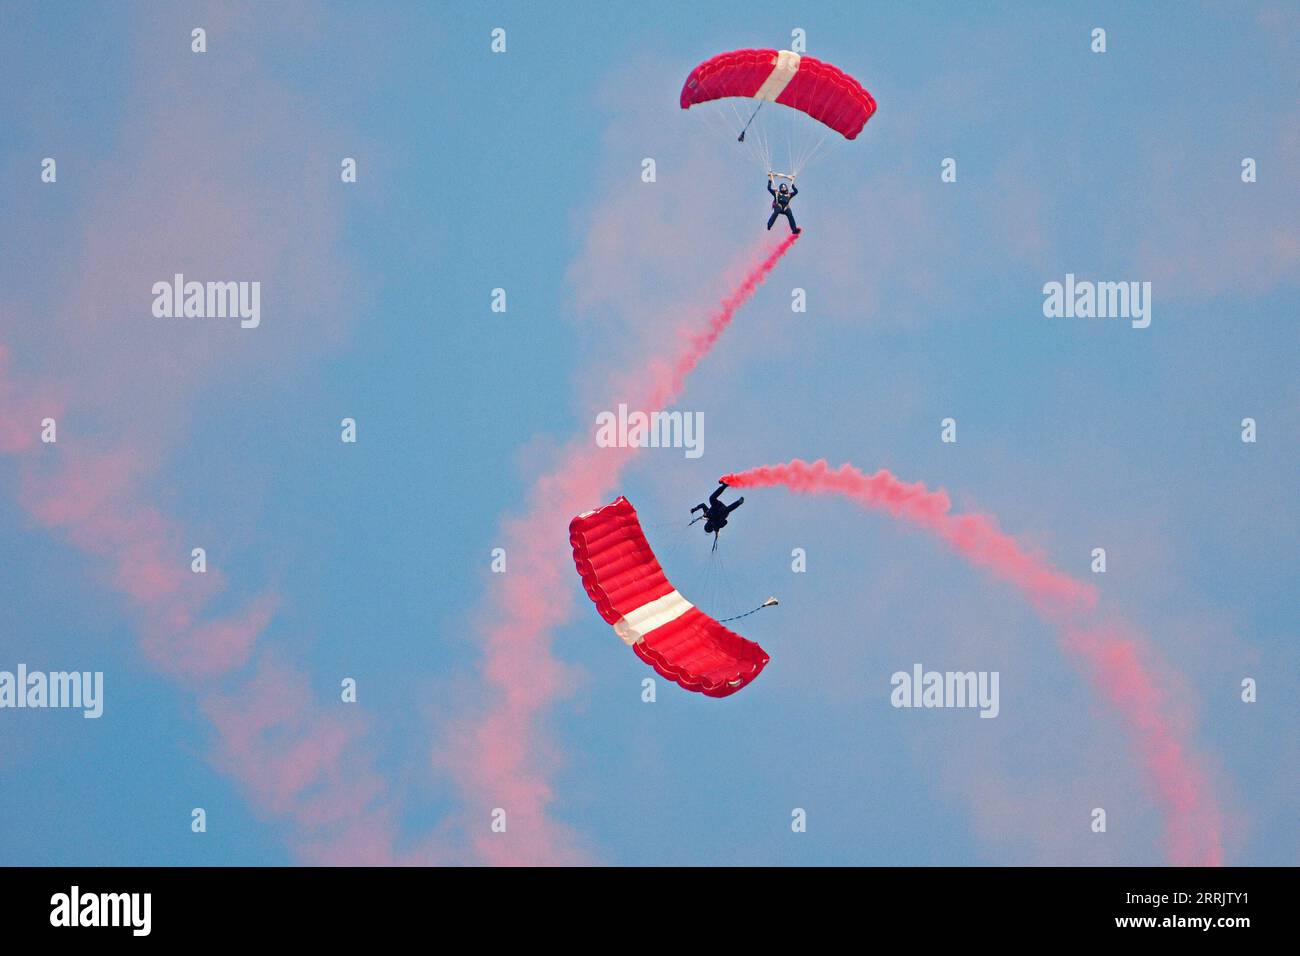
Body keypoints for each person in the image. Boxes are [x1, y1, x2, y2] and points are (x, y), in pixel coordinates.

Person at [690, 481, 745, 550]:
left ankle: (725, 486)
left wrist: (695, 509)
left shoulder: (708, 516)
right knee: (721, 507)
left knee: (711, 499)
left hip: (718, 506)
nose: (709, 524)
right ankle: (738, 501)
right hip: (722, 510)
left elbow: (703, 505)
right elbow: (725, 522)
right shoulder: (716, 525)